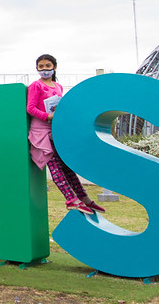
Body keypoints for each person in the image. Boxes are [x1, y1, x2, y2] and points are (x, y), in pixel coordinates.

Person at [27, 54, 105, 215]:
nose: (44, 70)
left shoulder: (58, 86)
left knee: (67, 167)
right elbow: (31, 108)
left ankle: (83, 197)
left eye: (47, 66)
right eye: (40, 67)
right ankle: (71, 199)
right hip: (42, 132)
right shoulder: (36, 86)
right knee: (55, 166)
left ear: (54, 67)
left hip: (56, 130)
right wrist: (48, 116)